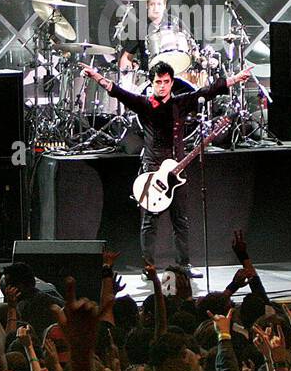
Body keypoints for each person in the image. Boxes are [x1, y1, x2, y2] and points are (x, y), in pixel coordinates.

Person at [81, 60, 251, 275]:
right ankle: (149, 266)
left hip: (177, 170)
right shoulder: (144, 104)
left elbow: (207, 91)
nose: (162, 86)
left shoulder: (180, 103)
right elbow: (119, 92)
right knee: (150, 223)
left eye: (166, 82)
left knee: (181, 221)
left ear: (172, 82)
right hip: (152, 170)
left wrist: (234, 79)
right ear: (152, 83)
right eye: (158, 82)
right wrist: (97, 77)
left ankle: (184, 265)